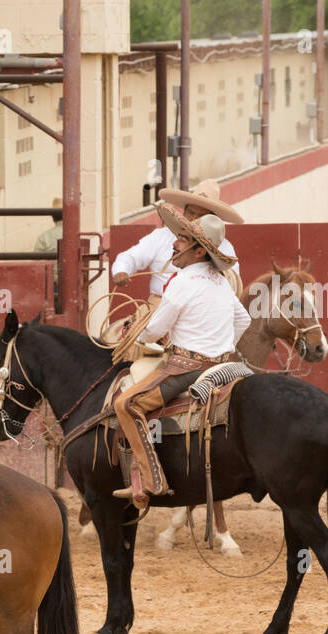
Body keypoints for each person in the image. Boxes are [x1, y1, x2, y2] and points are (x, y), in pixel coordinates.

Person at [111, 205, 252, 510]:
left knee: (125, 403)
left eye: (183, 240)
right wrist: (221, 346)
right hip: (222, 366)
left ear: (200, 252)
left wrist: (149, 333)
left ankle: (151, 480)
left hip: (186, 368)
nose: (175, 243)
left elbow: (151, 332)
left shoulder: (182, 282)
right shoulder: (221, 283)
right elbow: (244, 321)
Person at [110, 179, 243, 297]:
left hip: (199, 309)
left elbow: (231, 281)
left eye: (201, 215)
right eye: (191, 212)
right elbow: (131, 257)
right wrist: (121, 271)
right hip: (158, 305)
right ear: (183, 212)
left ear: (211, 220)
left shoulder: (223, 247)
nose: (193, 218)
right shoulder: (161, 236)